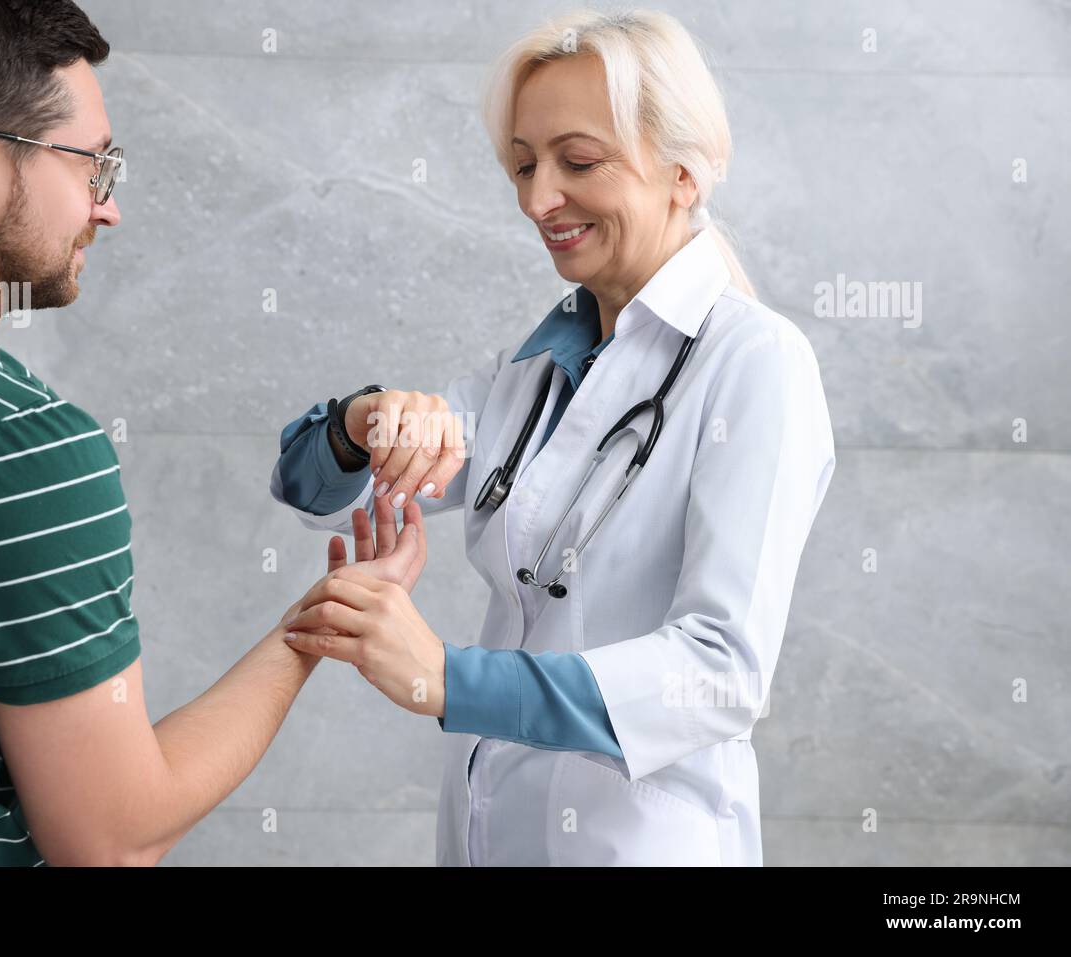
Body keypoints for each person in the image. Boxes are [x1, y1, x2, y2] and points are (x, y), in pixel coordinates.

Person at [0, 0, 420, 867]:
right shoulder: (16, 443)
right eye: (95, 166)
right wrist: (315, 628)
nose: (107, 209)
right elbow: (112, 839)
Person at [274, 9, 836, 866]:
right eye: (524, 164)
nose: (538, 201)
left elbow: (719, 673)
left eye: (577, 161)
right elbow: (309, 486)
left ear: (684, 172)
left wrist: (450, 678)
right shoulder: (536, 371)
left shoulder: (757, 364)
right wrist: (365, 419)